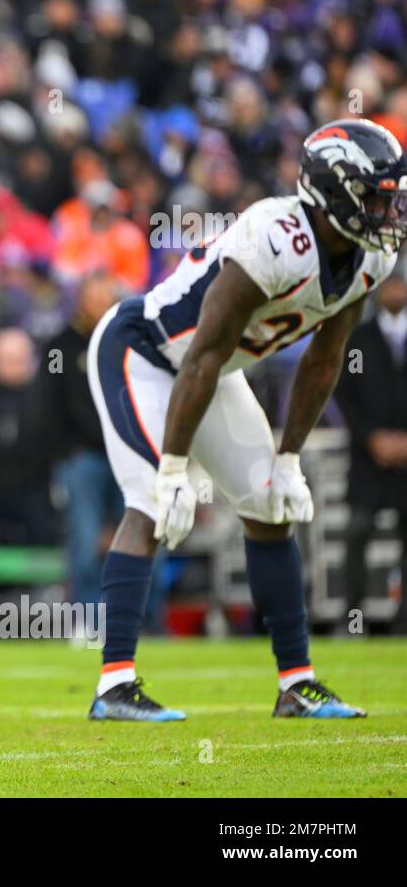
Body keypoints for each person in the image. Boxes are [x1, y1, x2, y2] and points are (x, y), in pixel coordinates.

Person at [85, 118, 401, 721]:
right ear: (334, 192)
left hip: (214, 372)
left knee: (268, 504)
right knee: (152, 502)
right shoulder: (274, 236)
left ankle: (297, 684)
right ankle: (113, 685)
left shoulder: (370, 260)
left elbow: (324, 359)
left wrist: (287, 459)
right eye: (377, 195)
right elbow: (201, 352)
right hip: (146, 352)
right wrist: (175, 467)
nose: (388, 210)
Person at [28, 273, 123, 612]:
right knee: (83, 543)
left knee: (140, 544)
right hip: (83, 459)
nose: (100, 306)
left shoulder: (126, 342)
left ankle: (142, 621)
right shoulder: (61, 346)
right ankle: (87, 618)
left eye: (106, 298)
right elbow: (44, 407)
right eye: (94, 298)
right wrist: (65, 452)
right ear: (80, 301)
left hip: (130, 457)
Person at [334, 266, 407, 634]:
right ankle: (353, 622)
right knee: (357, 534)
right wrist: (372, 437)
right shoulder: (358, 339)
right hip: (367, 460)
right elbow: (343, 394)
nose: (394, 291)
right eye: (389, 284)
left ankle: (402, 624)